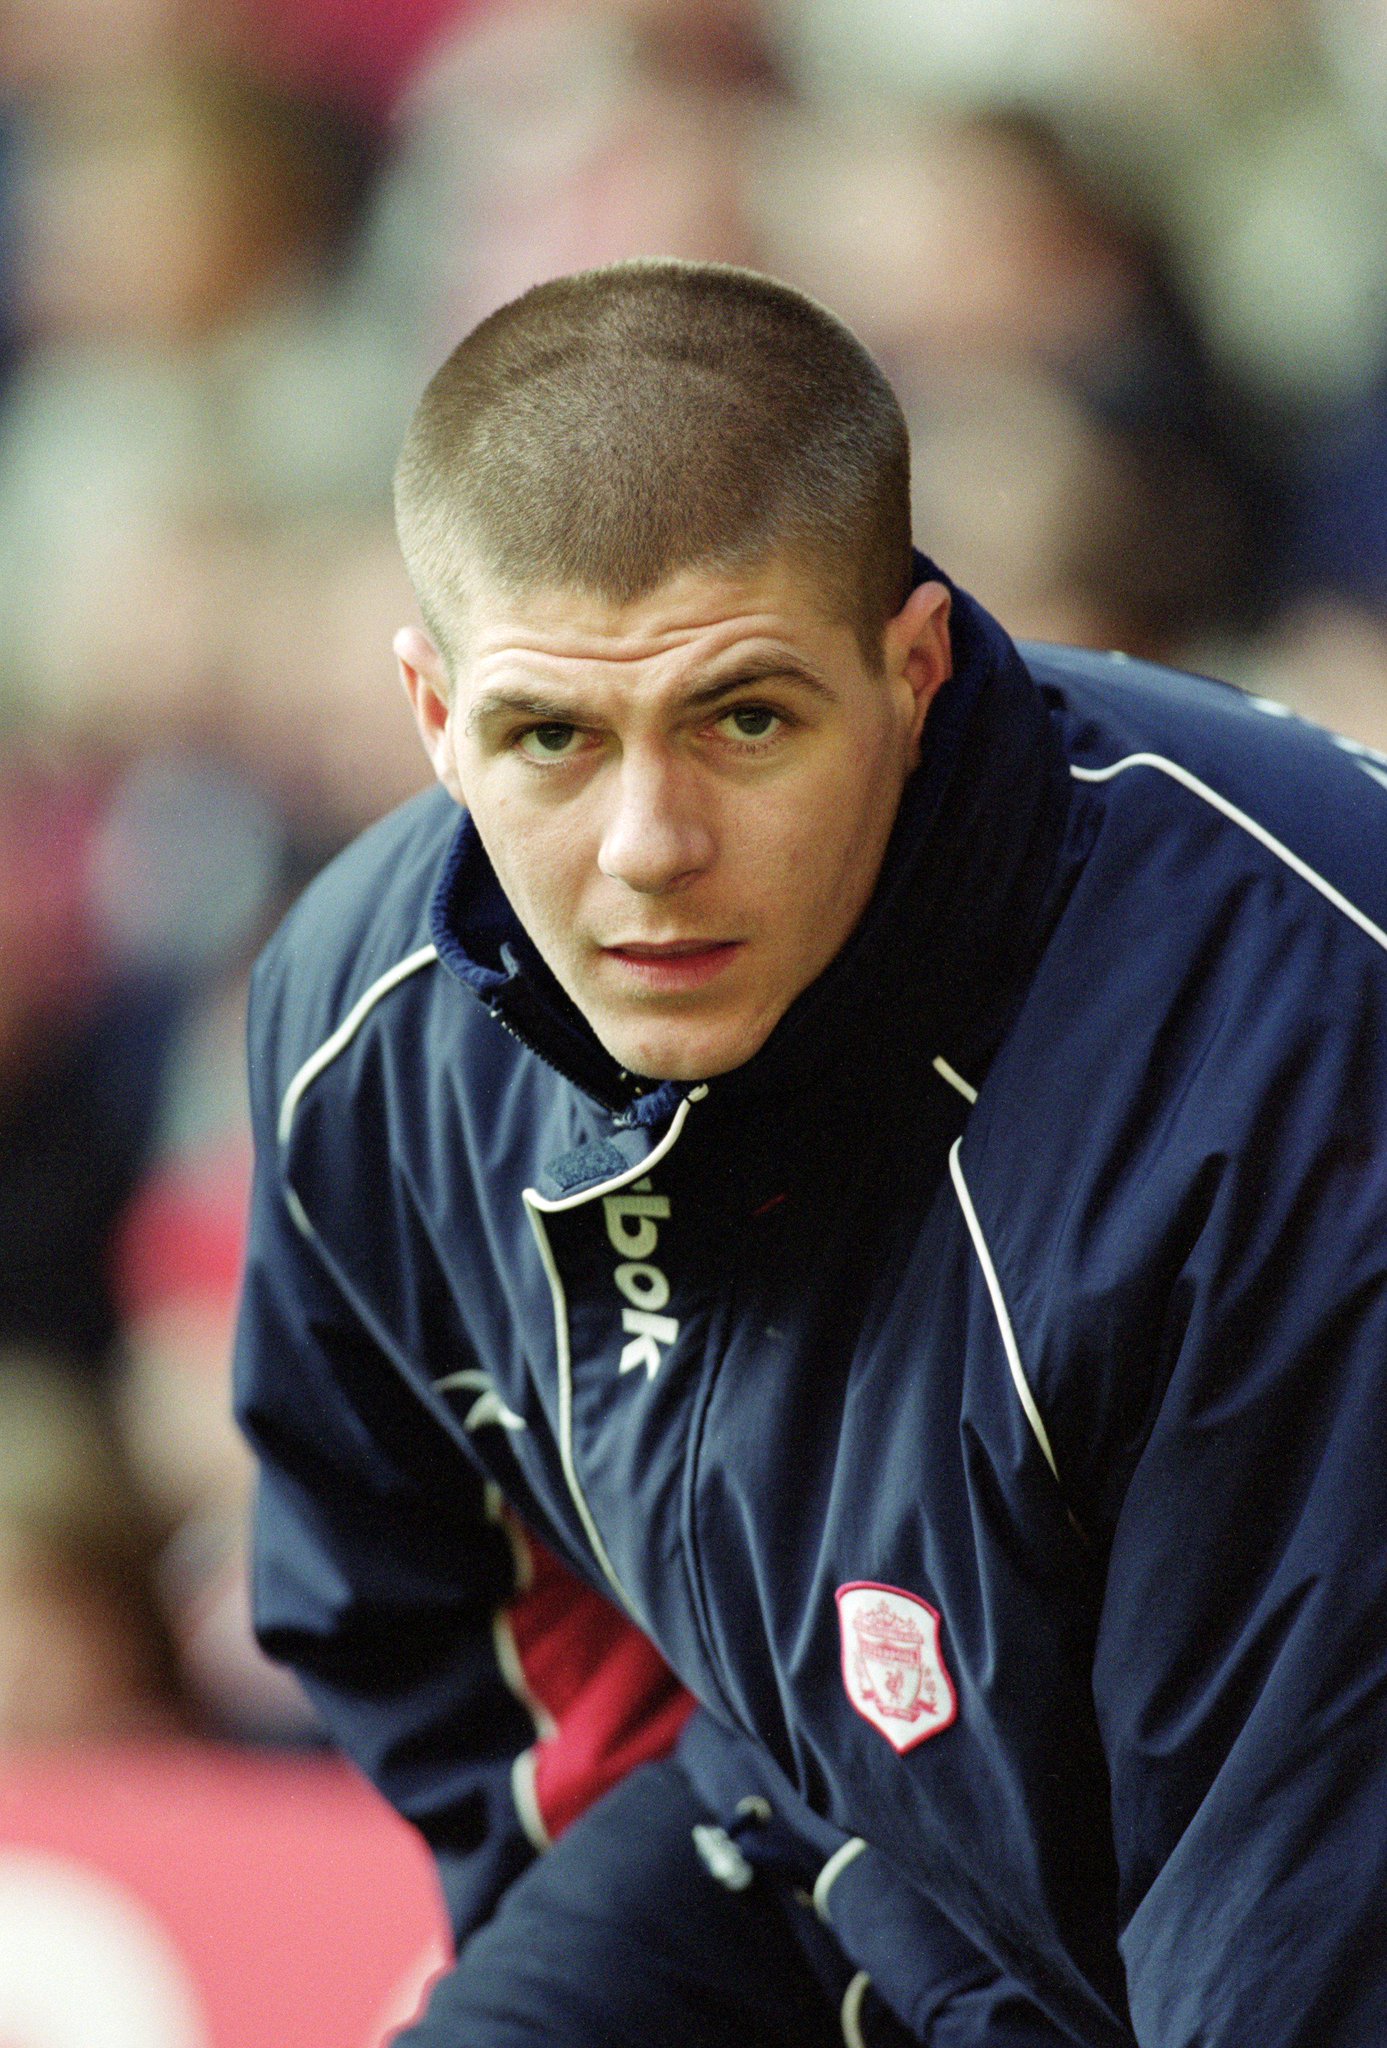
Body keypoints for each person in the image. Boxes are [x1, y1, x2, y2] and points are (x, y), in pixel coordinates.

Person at [233, 260, 1387, 2047]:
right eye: (552, 736)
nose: (648, 847)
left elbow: (1301, 1921)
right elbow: (429, 1613)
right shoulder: (363, 1019)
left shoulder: (1285, 1044)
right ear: (433, 717)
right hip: (808, 1848)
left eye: (746, 717)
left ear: (913, 666)